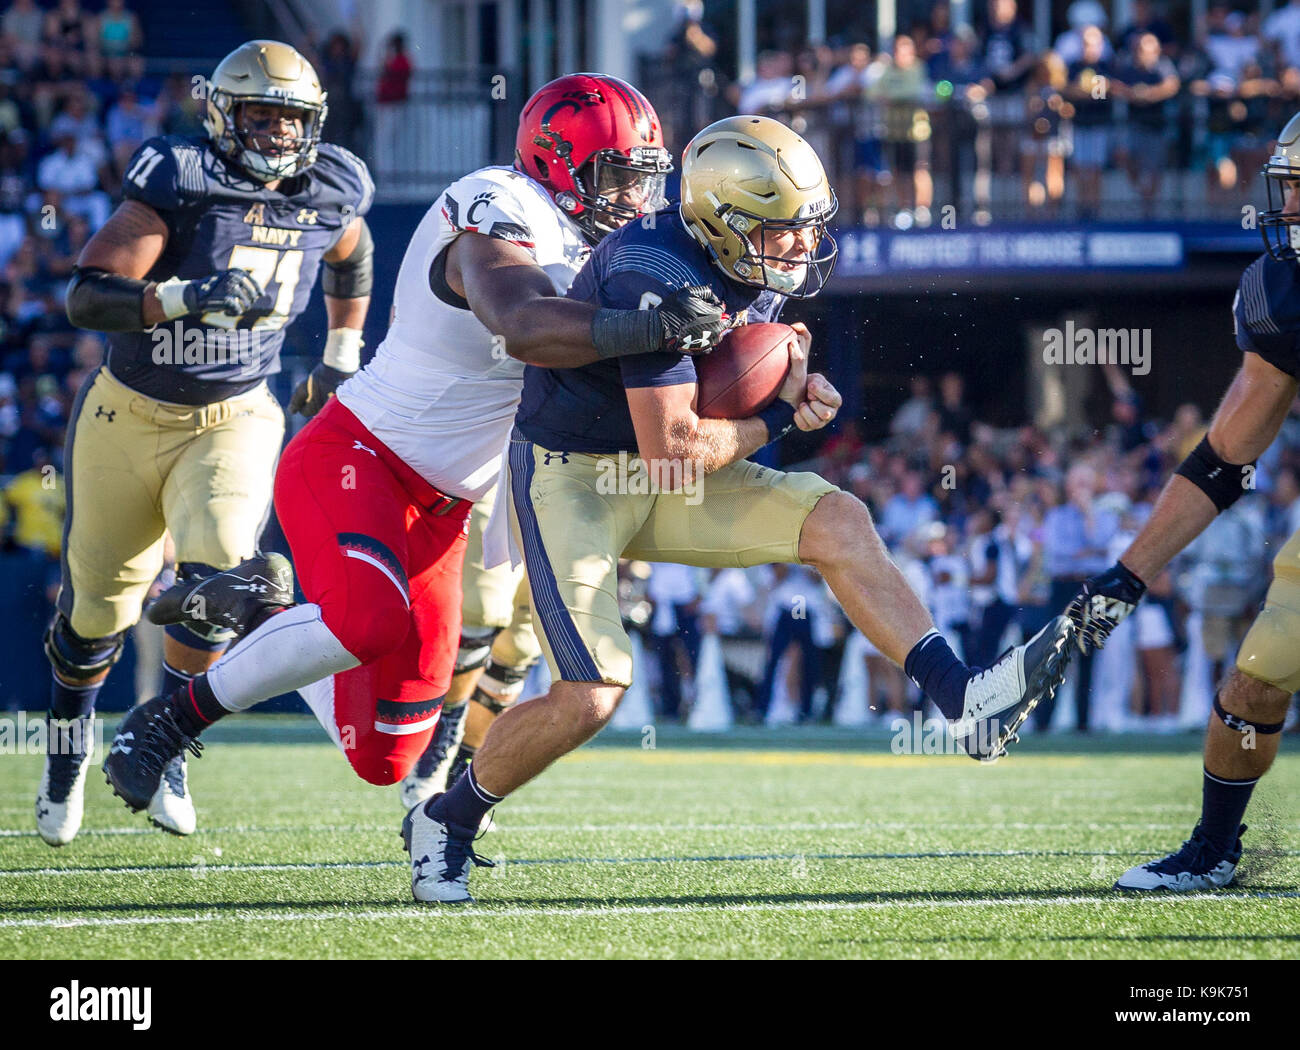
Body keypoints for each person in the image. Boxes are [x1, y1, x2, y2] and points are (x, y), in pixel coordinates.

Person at [403, 114, 1076, 903]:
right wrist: (780, 418)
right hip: (572, 476)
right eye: (782, 229)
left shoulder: (739, 259)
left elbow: (729, 372)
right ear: (724, 220)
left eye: (805, 227)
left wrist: (785, 375)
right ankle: (447, 819)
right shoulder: (653, 273)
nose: (799, 246)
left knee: (839, 521)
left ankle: (966, 702)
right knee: (592, 692)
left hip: (653, 464)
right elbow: (676, 451)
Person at [102, 76, 727, 816]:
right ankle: (166, 724)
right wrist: (653, 327)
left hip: (448, 508)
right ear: (558, 162)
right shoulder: (497, 205)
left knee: (387, 755)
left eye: (643, 179)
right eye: (617, 176)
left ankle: (258, 608)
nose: (634, 198)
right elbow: (520, 322)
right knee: (367, 620)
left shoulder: (613, 243)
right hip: (360, 452)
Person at [35, 40, 375, 847]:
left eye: (293, 121)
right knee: (96, 614)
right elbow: (89, 295)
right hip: (129, 411)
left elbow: (351, 255)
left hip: (236, 413)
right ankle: (62, 756)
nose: (277, 137)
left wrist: (339, 358)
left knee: (222, 574)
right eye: (260, 117)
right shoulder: (181, 177)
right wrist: (183, 297)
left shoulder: (334, 184)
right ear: (223, 113)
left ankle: (171, 742)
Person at [1067, 111, 1300, 890]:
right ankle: (1214, 850)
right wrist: (1127, 577)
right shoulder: (1284, 295)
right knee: (1254, 679)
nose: (1289, 208)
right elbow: (1224, 461)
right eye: (1290, 189)